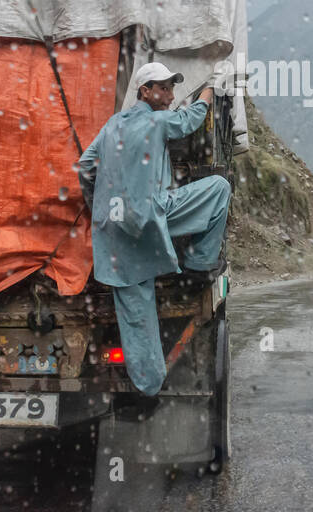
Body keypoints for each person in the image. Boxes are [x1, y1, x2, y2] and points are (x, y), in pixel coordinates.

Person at [75, 62, 231, 399]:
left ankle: (148, 386)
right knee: (219, 188)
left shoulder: (112, 125)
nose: (170, 95)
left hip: (117, 235)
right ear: (144, 91)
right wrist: (210, 86)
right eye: (163, 88)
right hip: (153, 219)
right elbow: (191, 120)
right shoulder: (157, 122)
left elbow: (86, 166)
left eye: (172, 89)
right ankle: (200, 263)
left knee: (137, 316)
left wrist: (99, 208)